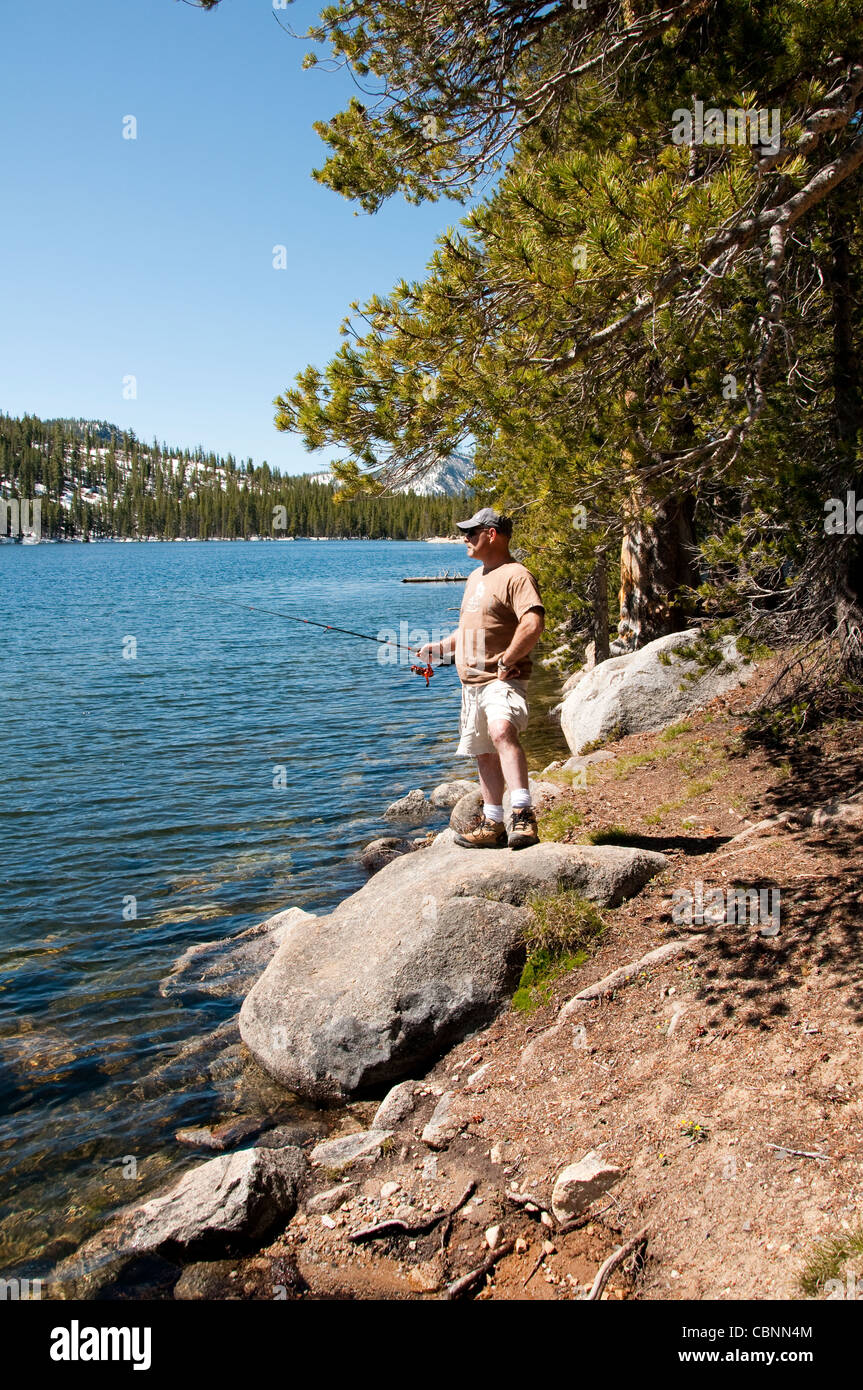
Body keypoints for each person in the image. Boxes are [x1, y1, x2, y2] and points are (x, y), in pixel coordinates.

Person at [416, 507, 545, 849]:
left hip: (502, 680)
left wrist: (508, 659)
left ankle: (522, 814)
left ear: (491, 534)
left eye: (471, 533)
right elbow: (467, 631)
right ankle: (493, 823)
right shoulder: (476, 578)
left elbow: (532, 623)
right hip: (470, 685)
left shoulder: (517, 575)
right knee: (483, 752)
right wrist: (440, 648)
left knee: (502, 730)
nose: (465, 539)